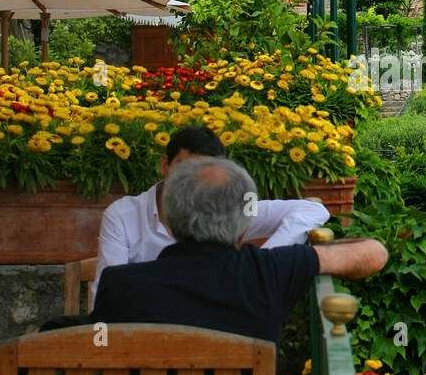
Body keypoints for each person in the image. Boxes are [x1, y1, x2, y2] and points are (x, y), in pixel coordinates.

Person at [92, 156, 387, 346]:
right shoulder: (269, 273)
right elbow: (374, 253)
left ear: (170, 214)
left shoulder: (120, 284)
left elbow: (94, 353)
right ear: (245, 226)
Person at [90, 125, 329, 302]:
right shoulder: (122, 215)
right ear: (165, 165)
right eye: (185, 168)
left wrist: (265, 258)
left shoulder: (227, 211)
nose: (193, 182)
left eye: (206, 172)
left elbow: (311, 209)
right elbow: (106, 295)